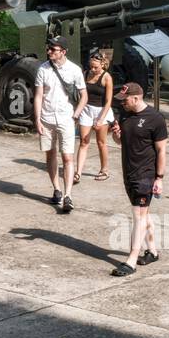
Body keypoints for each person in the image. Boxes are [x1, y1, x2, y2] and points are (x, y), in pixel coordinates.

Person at [108, 82, 167, 277]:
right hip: (129, 172)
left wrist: (159, 178)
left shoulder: (155, 119)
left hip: (145, 174)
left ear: (136, 98)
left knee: (138, 216)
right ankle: (153, 251)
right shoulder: (125, 115)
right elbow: (122, 141)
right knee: (143, 213)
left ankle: (132, 259)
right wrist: (117, 136)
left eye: (125, 100)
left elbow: (161, 150)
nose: (122, 103)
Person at [33, 36, 85, 212]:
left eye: (53, 49)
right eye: (48, 48)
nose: (49, 52)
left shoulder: (74, 70)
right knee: (50, 154)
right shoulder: (43, 69)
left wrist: (76, 115)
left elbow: (83, 95)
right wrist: (37, 119)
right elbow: (39, 96)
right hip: (47, 118)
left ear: (63, 52)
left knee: (68, 157)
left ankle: (68, 195)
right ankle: (57, 188)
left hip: (66, 118)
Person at [75, 49, 114, 183]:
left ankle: (104, 170)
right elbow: (81, 95)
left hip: (101, 110)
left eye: (95, 67)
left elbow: (109, 101)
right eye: (91, 66)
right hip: (87, 109)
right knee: (83, 142)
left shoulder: (106, 77)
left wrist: (101, 119)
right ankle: (78, 172)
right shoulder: (85, 74)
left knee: (101, 142)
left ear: (103, 65)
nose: (93, 69)